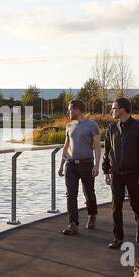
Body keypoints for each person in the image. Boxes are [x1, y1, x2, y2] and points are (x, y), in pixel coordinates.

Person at [102, 96, 139, 248]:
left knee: (135, 203)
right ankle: (118, 237)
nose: (112, 111)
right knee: (116, 205)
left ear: (123, 110)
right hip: (116, 173)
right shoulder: (111, 128)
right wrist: (106, 171)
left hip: (134, 173)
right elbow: (107, 151)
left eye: (114, 108)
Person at [58, 99, 100, 235]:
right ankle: (73, 224)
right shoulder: (69, 125)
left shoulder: (92, 125)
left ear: (77, 110)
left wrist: (96, 166)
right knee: (71, 194)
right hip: (70, 165)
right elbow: (66, 146)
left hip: (87, 164)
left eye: (70, 109)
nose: (68, 112)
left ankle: (92, 215)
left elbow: (98, 148)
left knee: (89, 192)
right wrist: (61, 165)